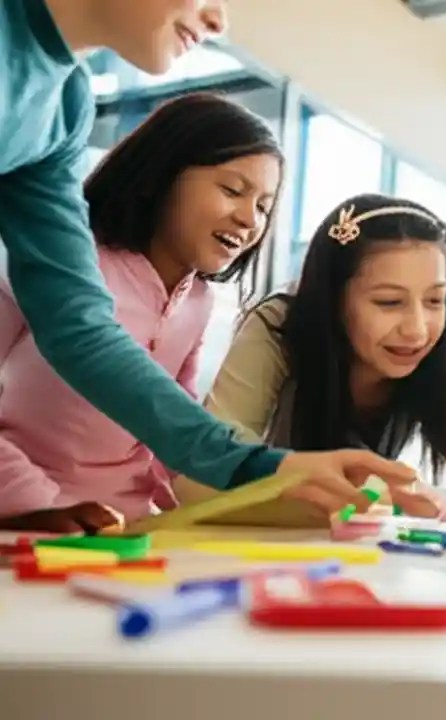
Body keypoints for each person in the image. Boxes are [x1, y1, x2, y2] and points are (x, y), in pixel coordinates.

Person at [0, 0, 420, 527]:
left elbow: (79, 328)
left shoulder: (65, 104)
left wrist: (261, 467)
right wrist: (32, 499)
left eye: (264, 206)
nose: (220, 18)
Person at [0, 92, 289, 531]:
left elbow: (175, 420)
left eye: (265, 206)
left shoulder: (197, 302)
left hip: (131, 528)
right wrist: (35, 505)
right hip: (29, 524)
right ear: (163, 173)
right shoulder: (56, 268)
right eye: (233, 190)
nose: (250, 219)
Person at [177, 194, 446, 525]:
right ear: (332, 300)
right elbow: (203, 476)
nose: (417, 330)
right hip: (257, 548)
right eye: (388, 302)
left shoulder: (437, 353)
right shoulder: (281, 327)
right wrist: (351, 497)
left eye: (434, 301)